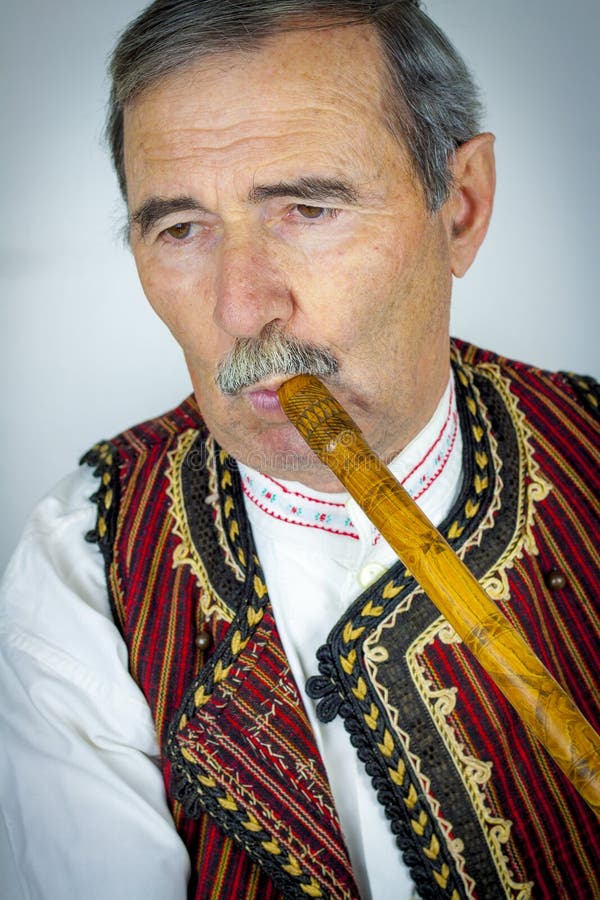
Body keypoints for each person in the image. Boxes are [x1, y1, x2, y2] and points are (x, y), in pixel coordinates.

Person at [1, 1, 598, 898]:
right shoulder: (83, 565)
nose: (243, 311)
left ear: (462, 209)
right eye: (181, 229)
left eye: (308, 208)